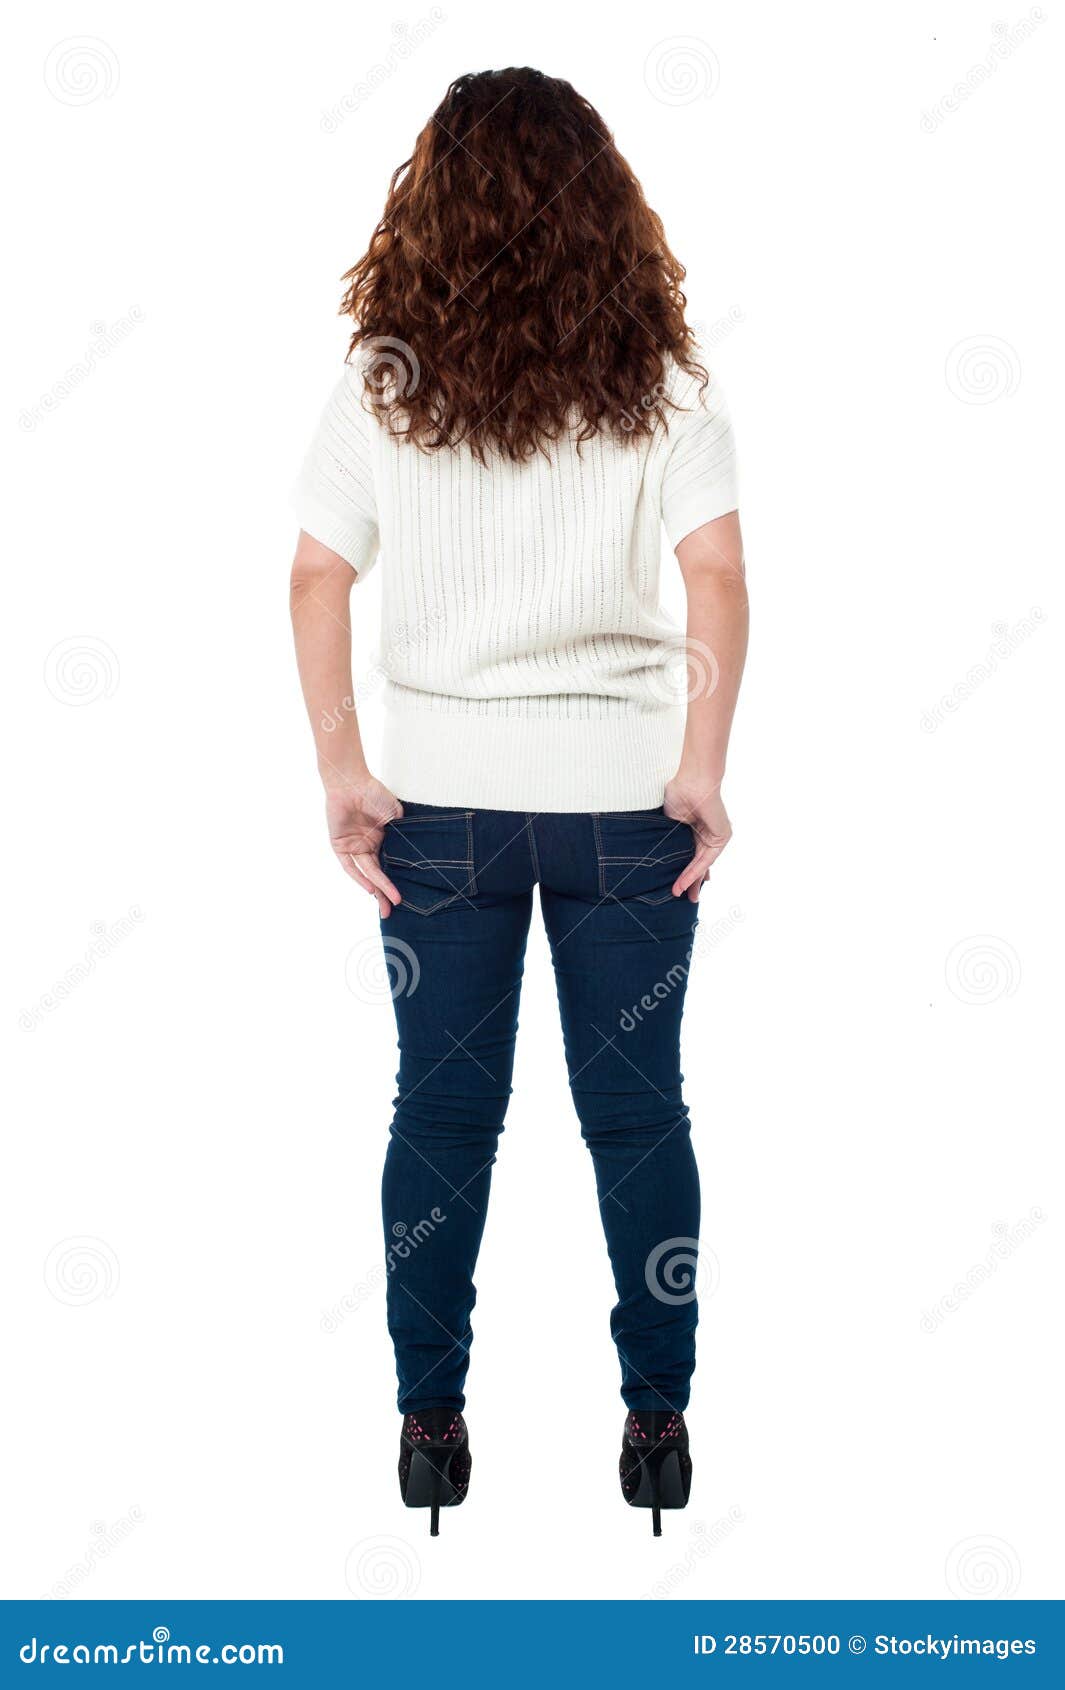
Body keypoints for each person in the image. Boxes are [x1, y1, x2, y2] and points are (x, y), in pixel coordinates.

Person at [290, 67, 747, 1537]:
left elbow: (315, 575)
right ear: (605, 201)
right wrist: (699, 764)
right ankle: (657, 1424)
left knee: (441, 1117)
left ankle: (429, 1426)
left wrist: (343, 770)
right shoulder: (662, 377)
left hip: (443, 809)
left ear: (427, 202)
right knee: (636, 1116)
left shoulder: (385, 376)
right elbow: (718, 578)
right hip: (626, 808)